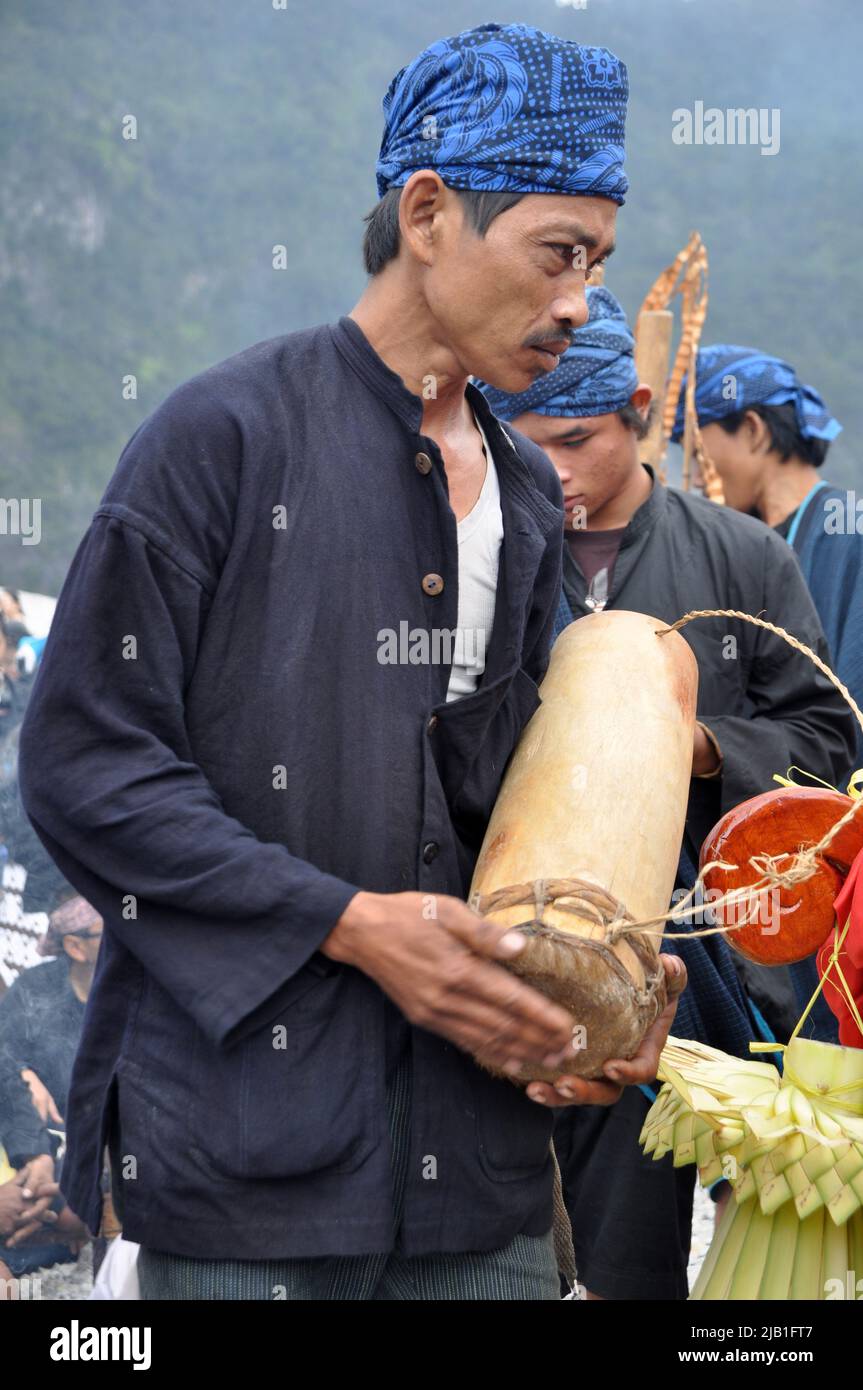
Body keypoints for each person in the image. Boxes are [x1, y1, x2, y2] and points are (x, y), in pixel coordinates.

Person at [17, 24, 685, 1302]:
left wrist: (582, 984)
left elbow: (503, 808)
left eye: (596, 263)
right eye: (557, 255)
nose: (578, 303)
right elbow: (86, 759)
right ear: (427, 212)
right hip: (251, 1168)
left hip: (478, 1180)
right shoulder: (220, 438)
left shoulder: (531, 499)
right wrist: (348, 924)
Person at [475, 285, 857, 1299]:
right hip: (509, 956)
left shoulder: (741, 556)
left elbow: (827, 744)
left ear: (639, 409)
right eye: (522, 444)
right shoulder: (480, 559)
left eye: (572, 440)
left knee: (636, 1258)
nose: (545, 471)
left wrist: (691, 747)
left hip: (698, 972)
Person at [673, 345, 863, 1038]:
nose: (692, 474)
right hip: (751, 853)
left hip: (832, 844)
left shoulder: (847, 530)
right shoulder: (732, 543)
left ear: (752, 431)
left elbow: (840, 705)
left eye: (699, 449)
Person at [0, 890, 99, 1293]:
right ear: (74, 946)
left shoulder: (134, 995)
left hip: (61, 1169)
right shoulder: (36, 990)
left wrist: (89, 1190)